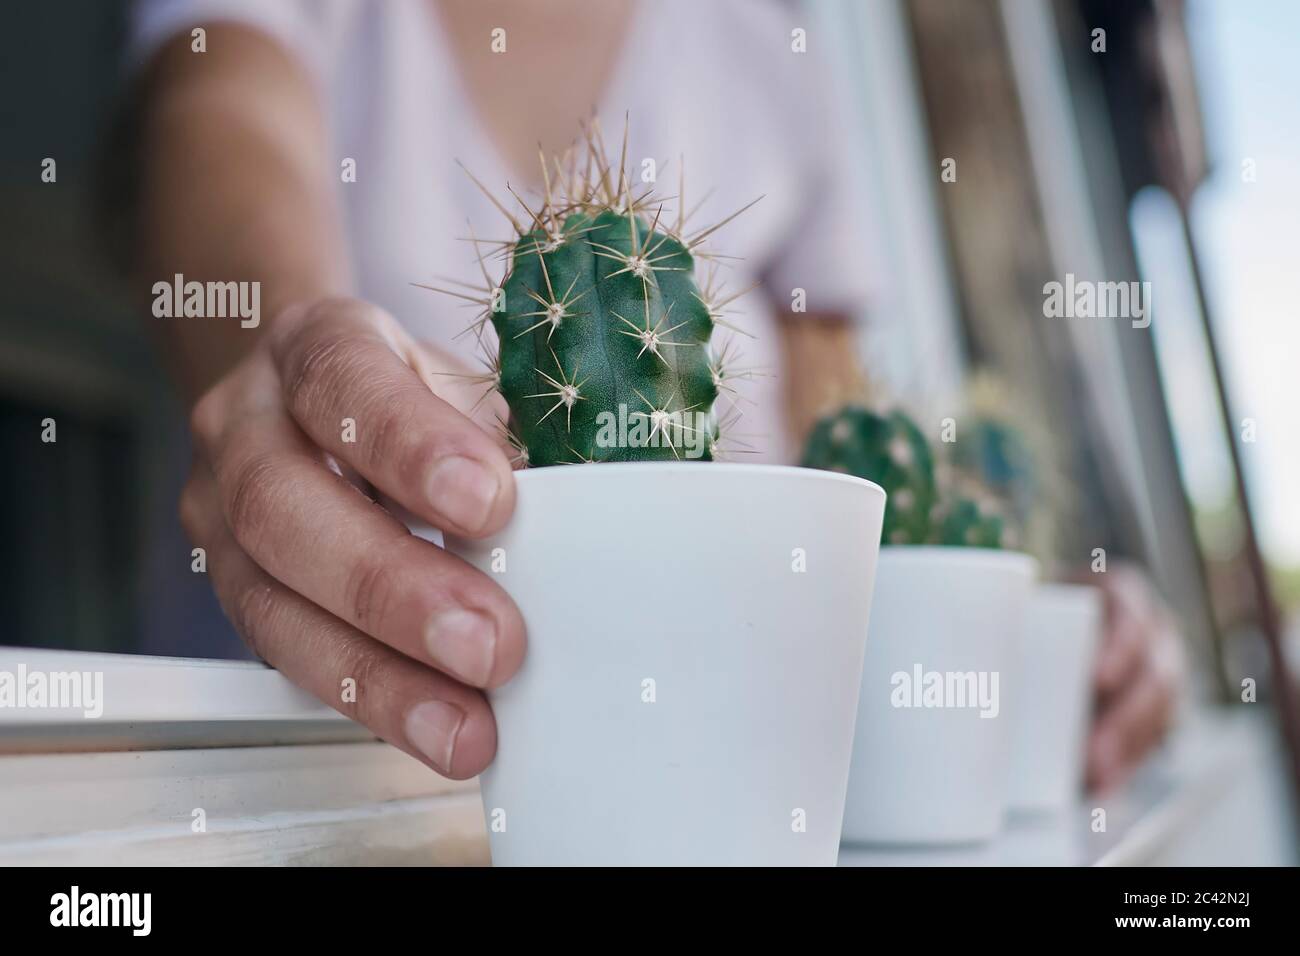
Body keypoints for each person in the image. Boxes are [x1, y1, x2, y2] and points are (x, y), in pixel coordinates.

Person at [126, 0, 1178, 789]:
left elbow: (849, 456)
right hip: (332, 781)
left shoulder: (769, 32)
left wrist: (1013, 613)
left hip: (719, 780)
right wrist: (295, 358)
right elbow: (228, 123)